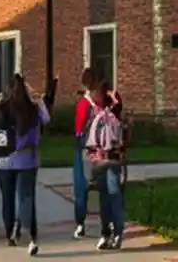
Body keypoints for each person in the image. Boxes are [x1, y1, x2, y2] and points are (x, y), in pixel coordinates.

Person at [0, 74, 50, 256]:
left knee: (8, 198)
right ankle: (29, 232)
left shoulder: (0, 108)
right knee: (26, 197)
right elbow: (46, 119)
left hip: (4, 160)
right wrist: (38, 99)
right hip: (26, 160)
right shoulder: (30, 109)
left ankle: (9, 234)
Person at [84, 80, 126, 251]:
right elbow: (123, 141)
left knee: (105, 200)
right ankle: (117, 233)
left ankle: (105, 234)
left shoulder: (99, 119)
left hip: (101, 162)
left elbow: (91, 143)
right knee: (115, 198)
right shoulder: (116, 119)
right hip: (115, 161)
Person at [71, 68, 99, 239]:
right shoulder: (107, 100)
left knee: (81, 187)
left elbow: (78, 130)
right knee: (105, 188)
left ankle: (80, 224)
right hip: (105, 150)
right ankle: (109, 222)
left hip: (85, 150)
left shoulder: (83, 104)